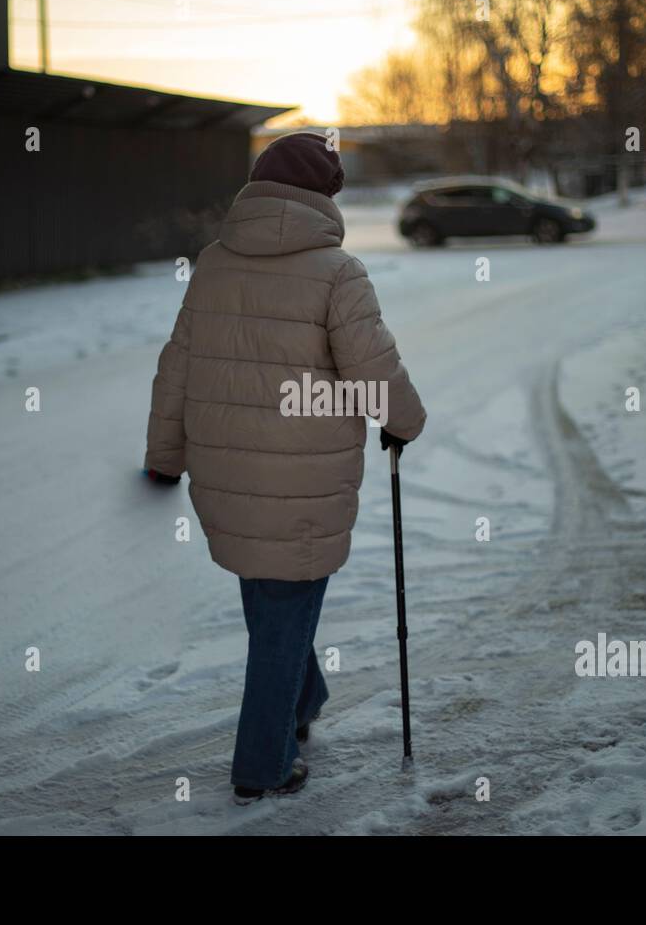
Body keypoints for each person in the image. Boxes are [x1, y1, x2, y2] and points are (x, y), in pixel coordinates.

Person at [142, 132, 426, 804]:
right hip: (304, 487)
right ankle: (263, 765)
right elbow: (373, 369)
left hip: (225, 486)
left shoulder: (213, 262)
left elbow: (175, 368)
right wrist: (403, 422)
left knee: (272, 605)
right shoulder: (337, 271)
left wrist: (163, 459)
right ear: (324, 196)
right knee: (280, 617)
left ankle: (304, 700)